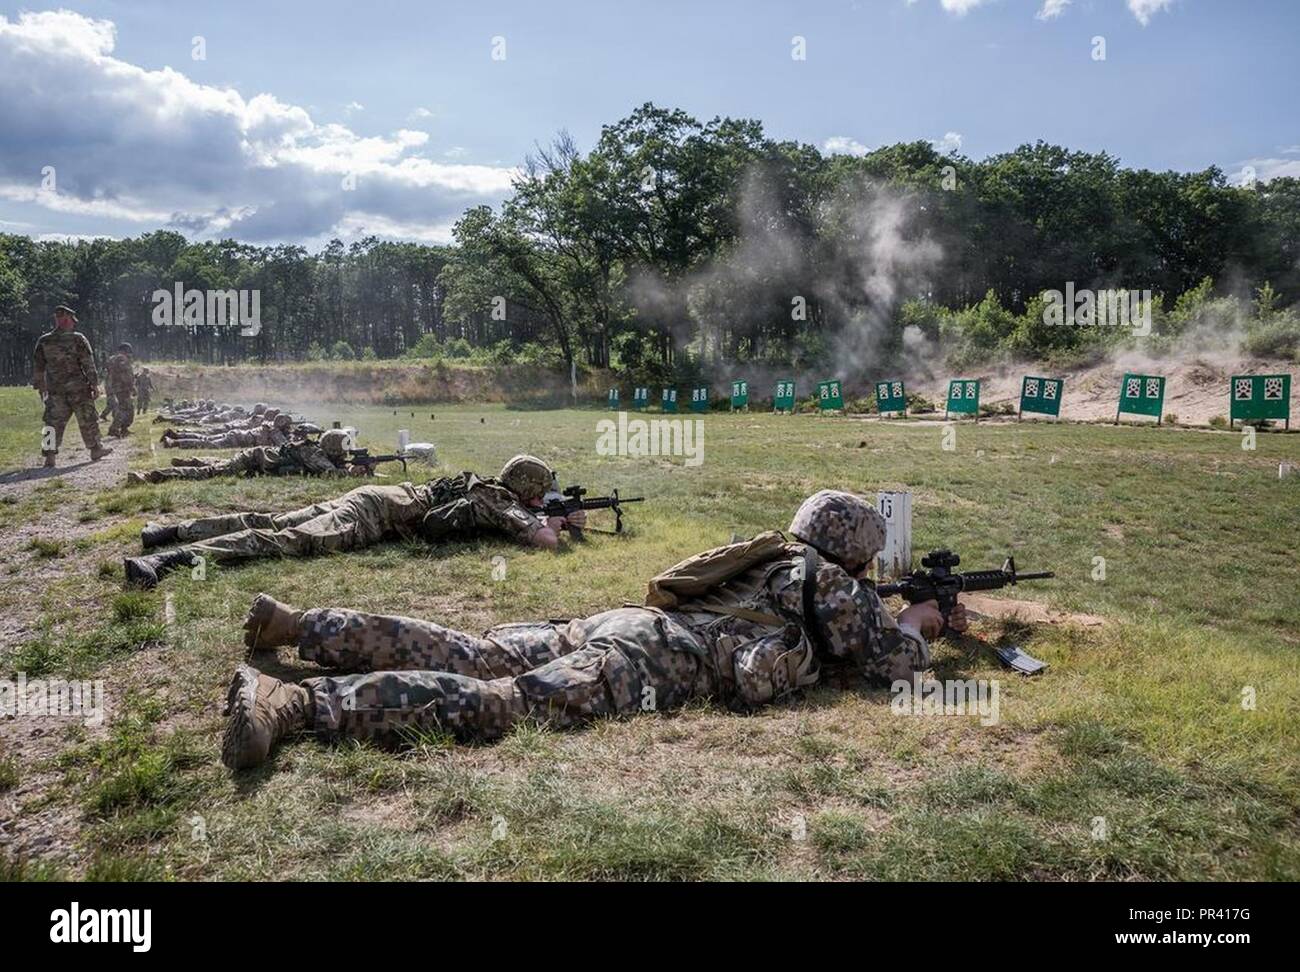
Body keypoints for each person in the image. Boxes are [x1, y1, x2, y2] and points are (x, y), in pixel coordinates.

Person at [219, 489, 969, 769]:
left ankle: (300, 626)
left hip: (625, 621)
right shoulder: (832, 582)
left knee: (477, 650)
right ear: (853, 548)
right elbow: (892, 666)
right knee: (507, 701)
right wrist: (918, 623)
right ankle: (296, 706)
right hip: (652, 659)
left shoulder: (774, 559)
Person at [124, 454, 587, 589]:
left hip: (372, 496)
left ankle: (167, 530)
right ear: (524, 486)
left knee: (266, 517)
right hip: (374, 513)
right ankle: (171, 559)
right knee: (287, 539)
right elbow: (544, 541)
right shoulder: (497, 499)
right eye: (537, 489)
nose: (536, 496)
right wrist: (564, 524)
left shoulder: (484, 485)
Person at [32, 305, 112, 467]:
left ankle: (49, 457)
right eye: (71, 320)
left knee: (52, 423)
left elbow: (38, 368)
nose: (73, 323)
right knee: (88, 419)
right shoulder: (77, 339)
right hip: (79, 389)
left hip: (55, 390)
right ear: (67, 319)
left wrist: (41, 388)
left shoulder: (44, 341)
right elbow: (88, 364)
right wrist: (95, 385)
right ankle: (95, 449)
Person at [127, 429, 359, 484]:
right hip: (253, 457)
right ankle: (150, 476)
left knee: (218, 465)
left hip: (259, 461)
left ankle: (190, 460)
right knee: (213, 473)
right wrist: (350, 472)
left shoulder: (314, 450)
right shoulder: (314, 452)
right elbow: (330, 473)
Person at [160, 412, 293, 450]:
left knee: (205, 438)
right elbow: (285, 446)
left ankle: (176, 437)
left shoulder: (269, 425)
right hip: (237, 438)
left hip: (235, 435)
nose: (288, 427)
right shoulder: (274, 430)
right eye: (287, 425)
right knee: (208, 443)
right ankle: (174, 442)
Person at [105, 342, 136, 437]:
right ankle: (115, 429)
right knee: (127, 409)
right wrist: (131, 387)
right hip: (123, 388)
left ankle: (122, 429)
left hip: (115, 387)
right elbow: (126, 375)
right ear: (125, 350)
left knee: (124, 408)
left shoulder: (112, 359)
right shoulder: (122, 359)